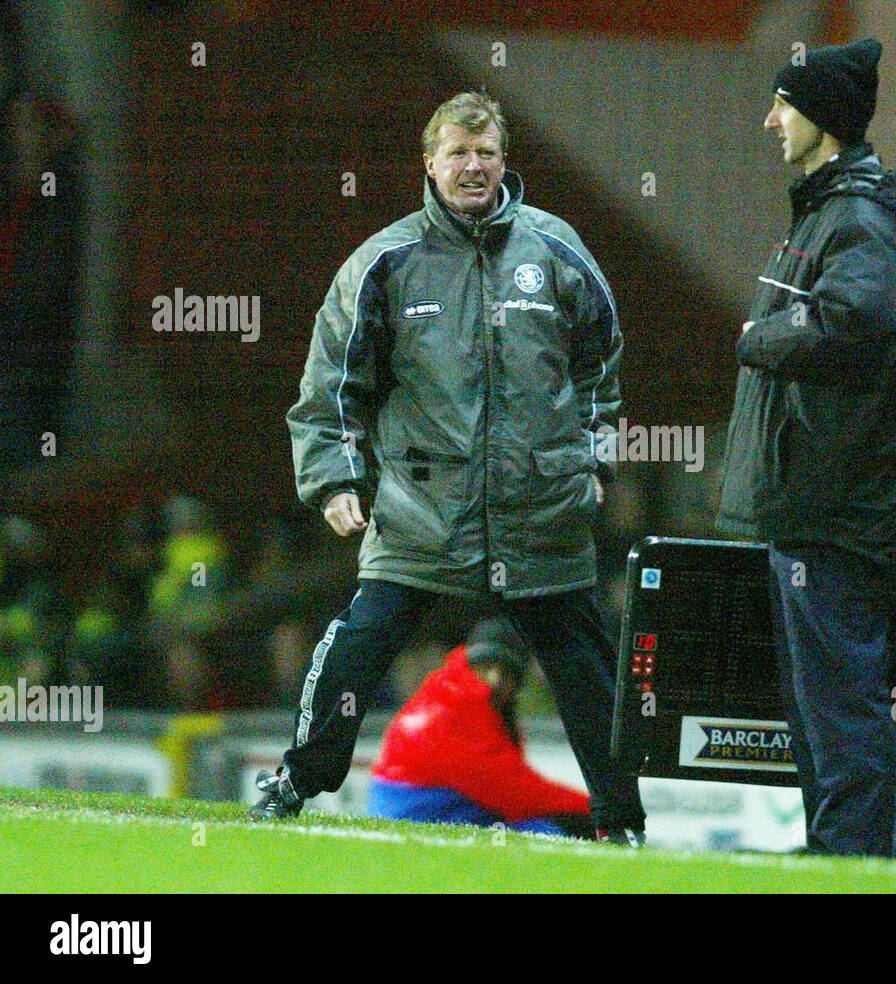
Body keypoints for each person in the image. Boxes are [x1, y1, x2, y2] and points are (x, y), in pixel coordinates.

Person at [250, 91, 645, 845]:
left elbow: (600, 363)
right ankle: (295, 781)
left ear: (504, 161)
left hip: (541, 509)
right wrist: (334, 478)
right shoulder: (384, 262)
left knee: (589, 675)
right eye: (458, 153)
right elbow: (331, 383)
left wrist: (596, 453)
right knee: (356, 650)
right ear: (429, 163)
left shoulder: (556, 250)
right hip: (421, 511)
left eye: (486, 153)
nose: (473, 167)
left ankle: (621, 822)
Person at [717, 39, 896, 856]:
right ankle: (832, 856)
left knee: (840, 710)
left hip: (836, 510)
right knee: (818, 712)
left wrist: (759, 338)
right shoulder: (830, 212)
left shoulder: (857, 219)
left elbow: (857, 321)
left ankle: (850, 865)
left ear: (824, 118)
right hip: (814, 507)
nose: (769, 120)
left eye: (784, 104)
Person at [368, 617, 594, 838]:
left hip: (409, 807)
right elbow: (515, 793)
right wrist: (594, 808)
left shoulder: (444, 690)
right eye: (486, 666)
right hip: (420, 811)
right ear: (471, 664)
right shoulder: (458, 709)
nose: (495, 679)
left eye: (506, 672)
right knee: (546, 833)